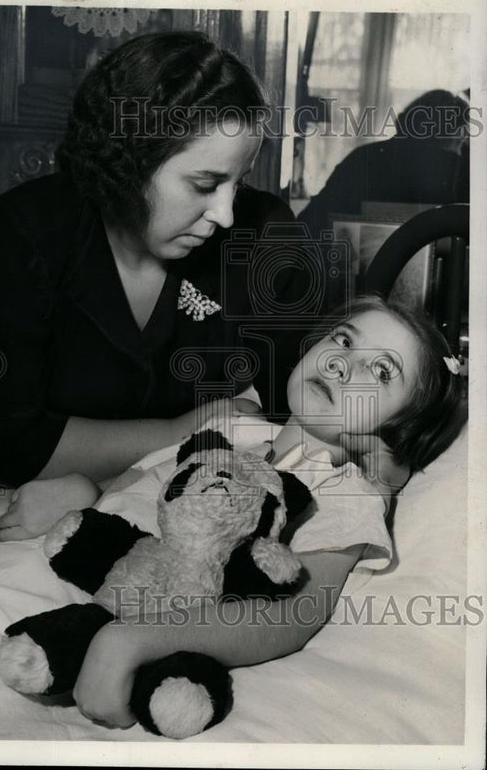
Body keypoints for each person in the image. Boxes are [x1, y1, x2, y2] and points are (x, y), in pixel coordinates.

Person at [0, 31, 312, 509]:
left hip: (150, 500)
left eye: (237, 183)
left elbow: (305, 412)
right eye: (205, 184)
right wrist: (183, 431)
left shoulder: (263, 236)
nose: (225, 214)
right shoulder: (20, 231)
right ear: (127, 161)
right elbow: (2, 441)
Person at [29, 294, 465, 728]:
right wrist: (84, 489)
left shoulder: (344, 493)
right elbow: (137, 487)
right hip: (44, 579)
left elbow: (295, 615)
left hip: (103, 630)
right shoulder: (230, 428)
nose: (342, 364)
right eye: (344, 340)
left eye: (382, 371)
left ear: (395, 432)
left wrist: (130, 640)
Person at [298, 89, 470, 241]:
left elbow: (310, 223)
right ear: (456, 136)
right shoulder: (459, 171)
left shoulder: (364, 158)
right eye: (461, 140)